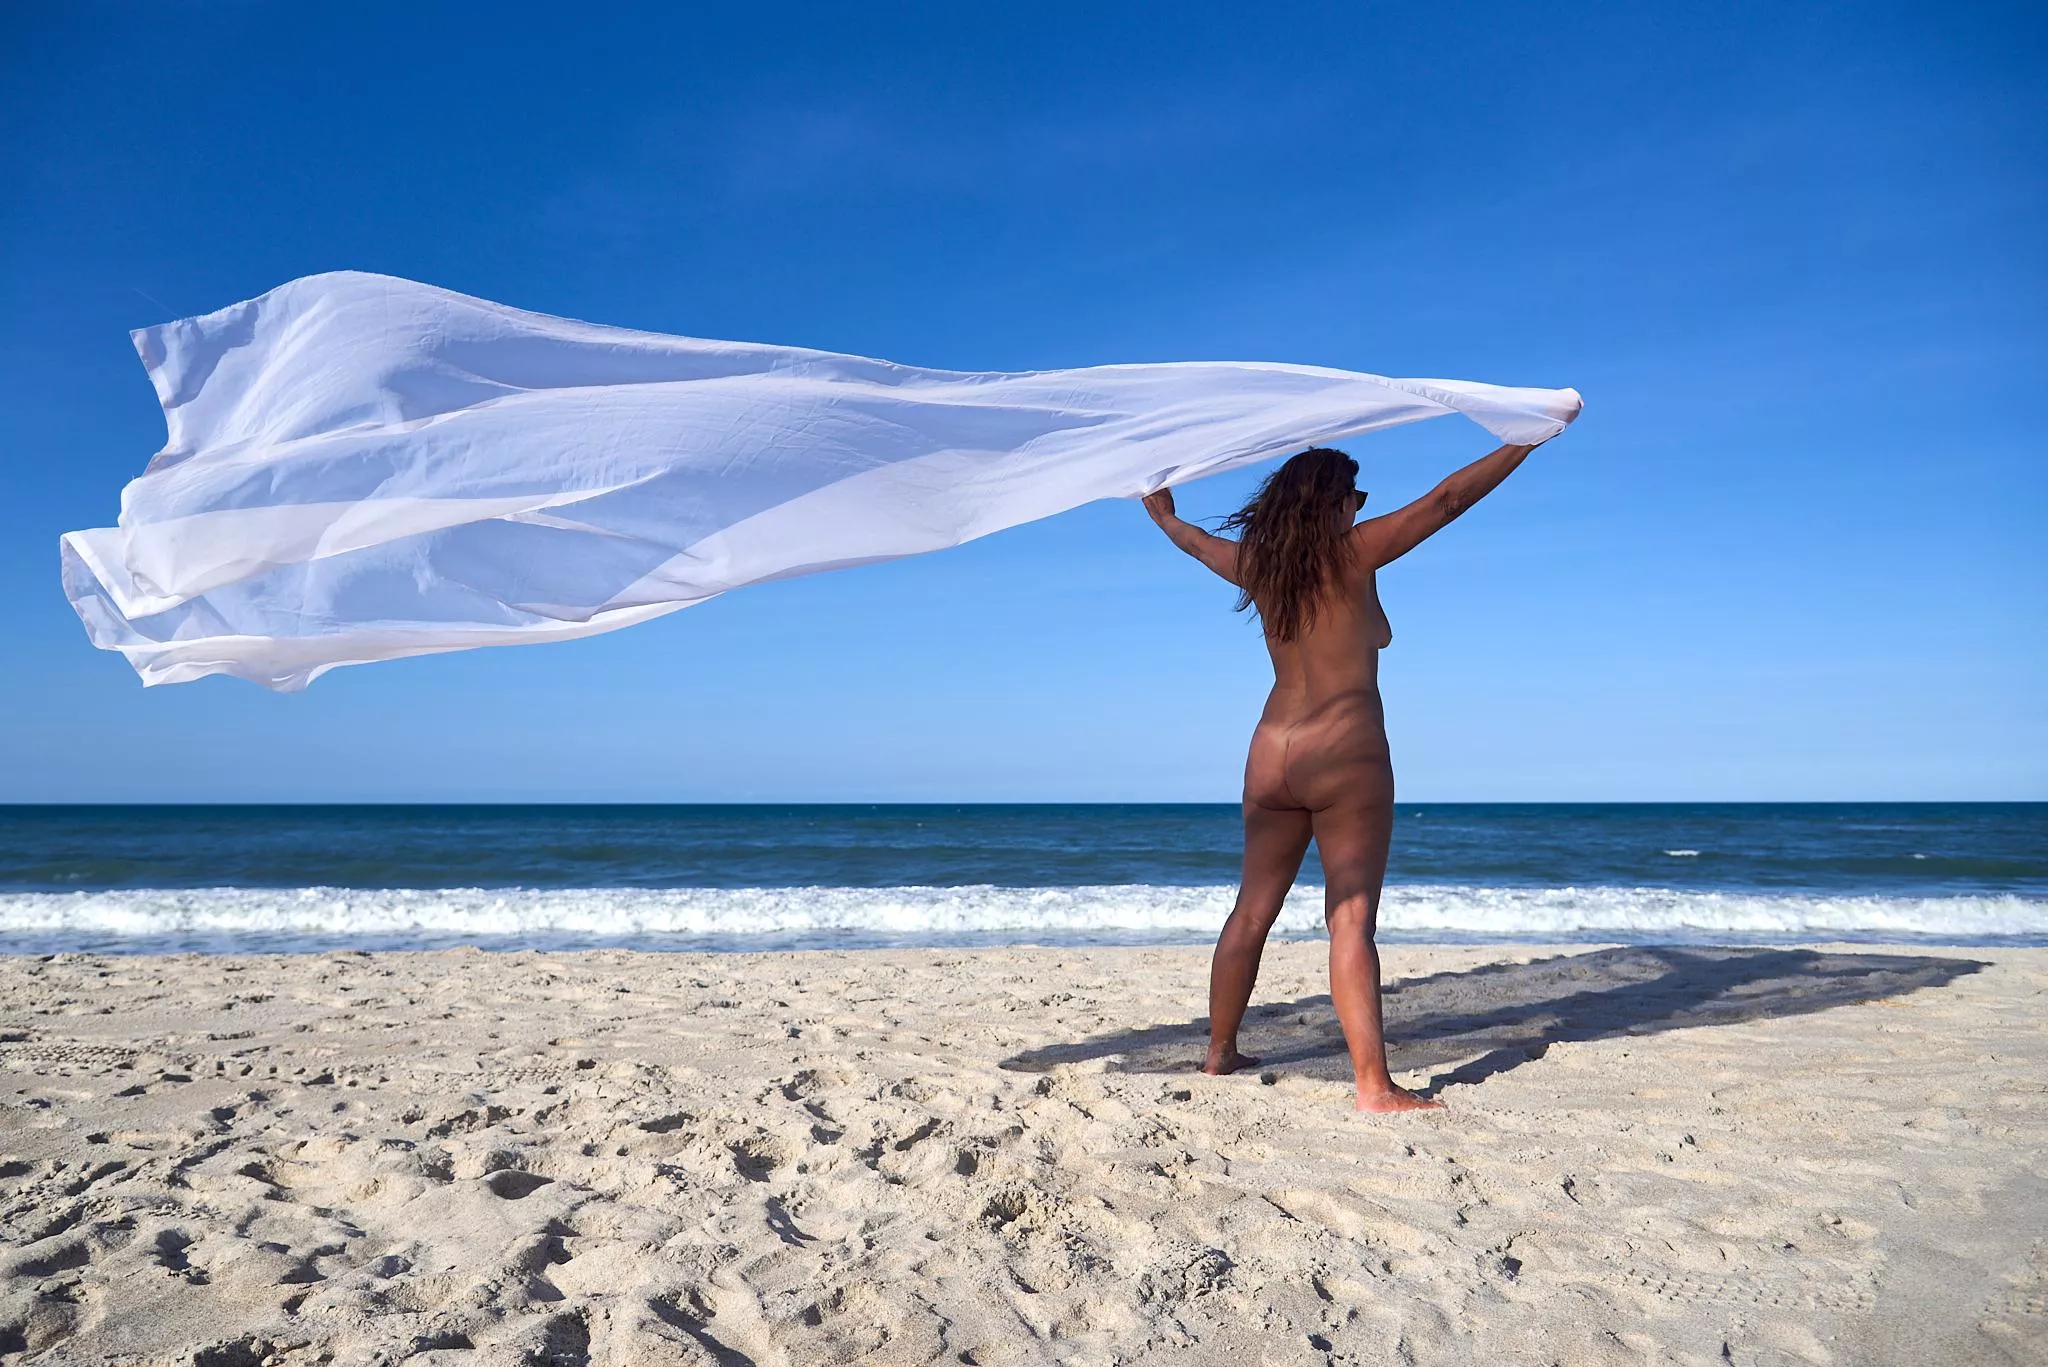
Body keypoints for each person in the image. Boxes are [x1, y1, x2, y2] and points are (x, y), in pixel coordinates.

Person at [1143, 435, 1558, 1111]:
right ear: (1333, 504)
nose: (1362, 509)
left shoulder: (1257, 565)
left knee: (1252, 909)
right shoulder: (1353, 553)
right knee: (1351, 917)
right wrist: (1524, 441)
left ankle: (1219, 1051)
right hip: (1345, 751)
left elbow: (1194, 544)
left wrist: (1164, 516)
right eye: (1357, 498)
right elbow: (1448, 499)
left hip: (1270, 751)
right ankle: (1372, 1084)